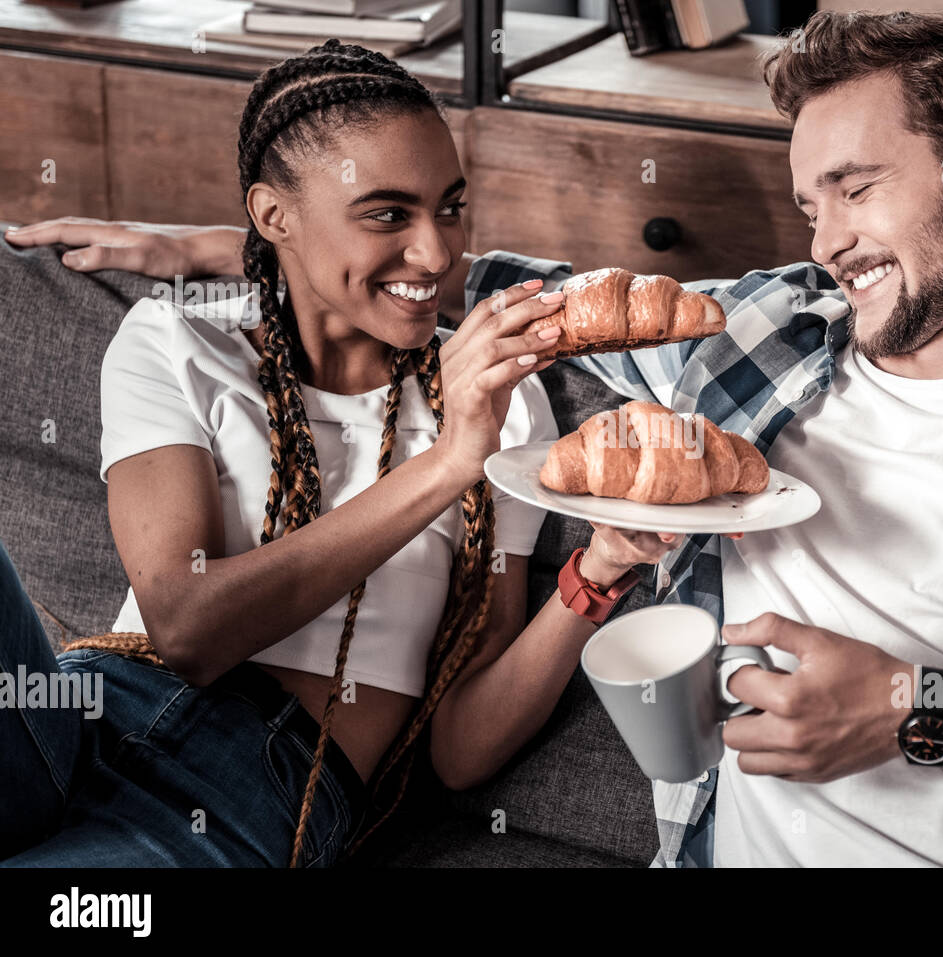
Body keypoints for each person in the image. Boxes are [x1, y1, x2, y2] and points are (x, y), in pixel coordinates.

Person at [9, 10, 943, 868]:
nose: (825, 239)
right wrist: (201, 247)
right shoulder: (764, 334)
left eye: (857, 187)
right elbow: (468, 282)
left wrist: (922, 714)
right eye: (807, 203)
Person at [0, 40, 746, 868]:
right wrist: (447, 463)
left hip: (258, 794)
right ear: (274, 215)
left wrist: (598, 573)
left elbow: (460, 750)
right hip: (74, 711)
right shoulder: (173, 340)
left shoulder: (505, 397)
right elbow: (186, 624)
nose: (436, 254)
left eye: (451, 208)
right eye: (389, 214)